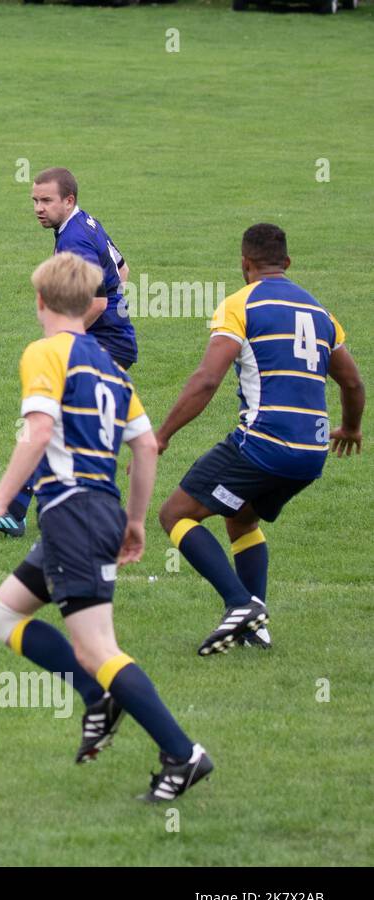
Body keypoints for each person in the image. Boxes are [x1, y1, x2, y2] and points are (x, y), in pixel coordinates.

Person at [0, 252, 212, 802]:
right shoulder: (108, 363)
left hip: (72, 512)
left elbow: (37, 433)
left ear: (40, 301)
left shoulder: (46, 353)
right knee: (4, 613)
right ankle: (96, 697)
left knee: (98, 649)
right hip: (94, 511)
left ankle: (182, 752)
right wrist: (136, 521)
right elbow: (145, 446)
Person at [155, 223, 364, 655]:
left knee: (175, 514)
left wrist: (162, 435)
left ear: (244, 264)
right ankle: (256, 630)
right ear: (287, 264)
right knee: (241, 517)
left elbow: (206, 380)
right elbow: (353, 382)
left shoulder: (240, 304)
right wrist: (352, 428)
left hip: (263, 443)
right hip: (311, 454)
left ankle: (240, 604)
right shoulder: (322, 313)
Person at [0, 166, 136, 538]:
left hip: (104, 343)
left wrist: (64, 340)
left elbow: (97, 302)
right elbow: (122, 271)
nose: (38, 208)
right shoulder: (85, 223)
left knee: (51, 424)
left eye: (46, 201)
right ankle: (19, 510)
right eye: (34, 201)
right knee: (56, 424)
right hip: (110, 340)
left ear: (68, 200)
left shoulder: (74, 240)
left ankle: (77, 512)